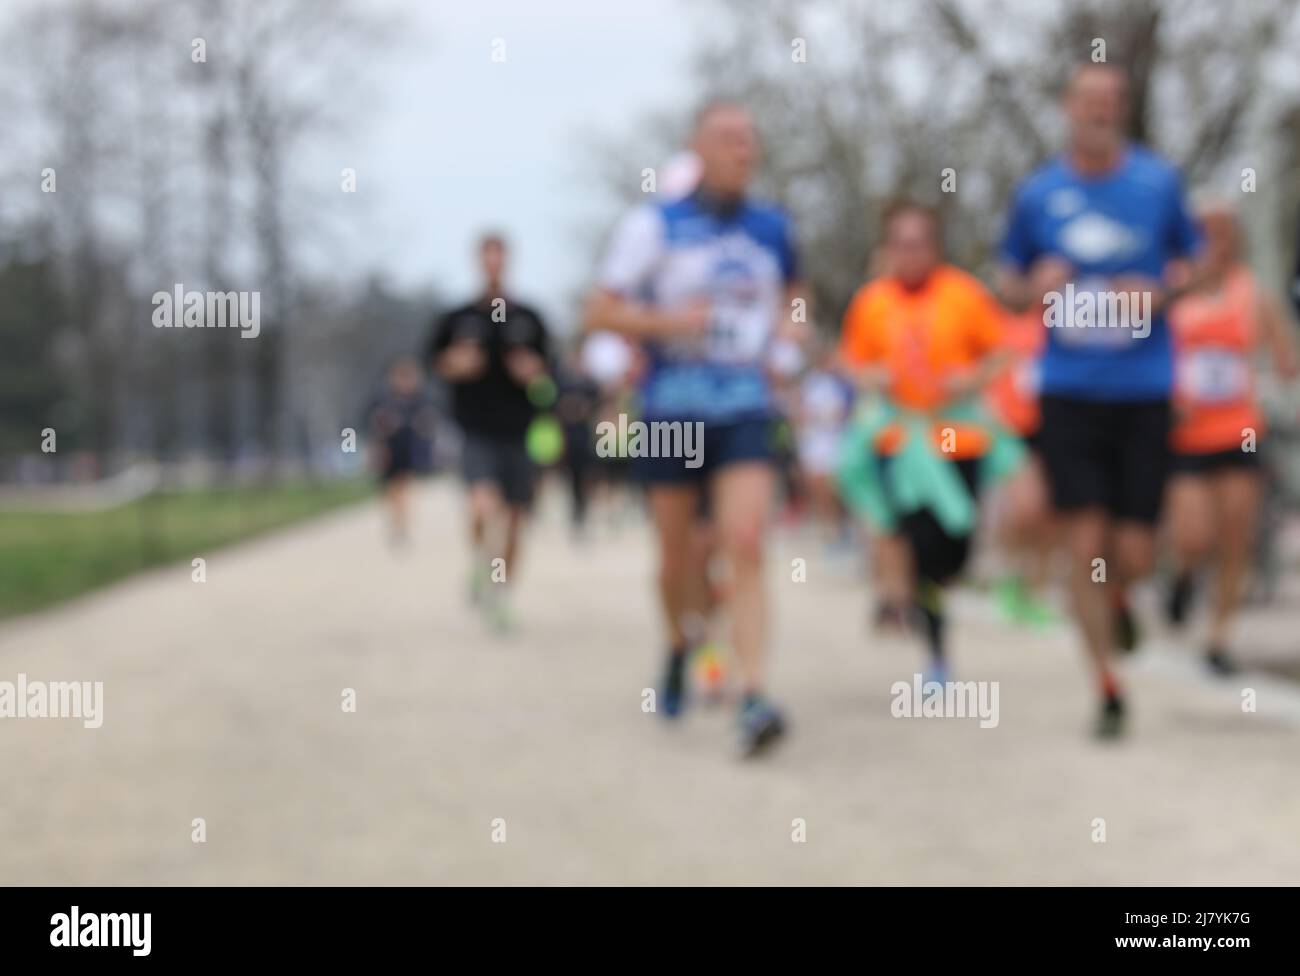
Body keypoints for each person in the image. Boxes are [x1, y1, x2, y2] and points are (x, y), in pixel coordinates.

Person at [583, 100, 806, 756]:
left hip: (744, 403)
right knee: (676, 558)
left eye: (750, 138)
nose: (744, 149)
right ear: (698, 148)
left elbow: (797, 294)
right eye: (729, 138)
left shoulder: (773, 226)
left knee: (745, 542)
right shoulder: (654, 226)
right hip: (670, 410)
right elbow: (600, 312)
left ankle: (754, 694)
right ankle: (679, 642)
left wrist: (792, 328)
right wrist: (671, 325)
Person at [997, 62, 1202, 738]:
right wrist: (1034, 286)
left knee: (1134, 551)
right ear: (1068, 107)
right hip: (1070, 391)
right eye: (1089, 100)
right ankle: (1107, 687)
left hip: (1143, 390)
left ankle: (1120, 598)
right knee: (1083, 542)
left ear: (1123, 109)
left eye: (1112, 100)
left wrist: (1163, 290)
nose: (1100, 111)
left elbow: (1199, 262)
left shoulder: (1157, 182)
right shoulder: (1038, 193)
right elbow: (1007, 283)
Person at [838, 201, 1016, 683]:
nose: (909, 253)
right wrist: (871, 376)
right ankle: (934, 644)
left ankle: (927, 593)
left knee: (955, 545)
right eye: (900, 243)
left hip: (958, 439)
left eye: (918, 243)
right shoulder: (872, 301)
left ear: (934, 247)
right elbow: (851, 361)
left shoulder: (964, 294)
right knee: (916, 541)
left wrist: (971, 379)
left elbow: (1000, 352)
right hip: (900, 441)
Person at [1163, 196, 1299, 673]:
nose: (1216, 242)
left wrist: (1277, 374)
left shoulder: (1253, 293)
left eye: (1224, 232)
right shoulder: (1172, 288)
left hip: (1240, 431)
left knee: (1235, 538)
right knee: (1193, 535)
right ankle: (1182, 577)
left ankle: (1219, 637)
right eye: (1207, 232)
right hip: (1186, 435)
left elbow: (1285, 359)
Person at [427, 233, 553, 632]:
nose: (494, 264)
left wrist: (533, 373)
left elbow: (551, 377)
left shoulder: (529, 318)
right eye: (488, 257)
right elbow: (434, 364)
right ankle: (483, 561)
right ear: (479, 262)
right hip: (475, 428)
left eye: (500, 256)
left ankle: (501, 592)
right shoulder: (459, 318)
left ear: (508, 261)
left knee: (514, 518)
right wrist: (455, 364)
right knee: (483, 505)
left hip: (519, 431)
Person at [985, 307, 1058, 626]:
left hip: (1055, 427)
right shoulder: (997, 323)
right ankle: (1011, 578)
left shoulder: (1062, 323)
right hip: (1012, 431)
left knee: (1050, 515)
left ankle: (1036, 589)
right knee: (1024, 509)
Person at [367, 357, 435, 546]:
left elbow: (429, 423)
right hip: (389, 450)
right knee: (391, 489)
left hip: (409, 449)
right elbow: (371, 424)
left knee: (405, 486)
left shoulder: (420, 400)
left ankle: (402, 523)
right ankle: (396, 521)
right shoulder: (382, 399)